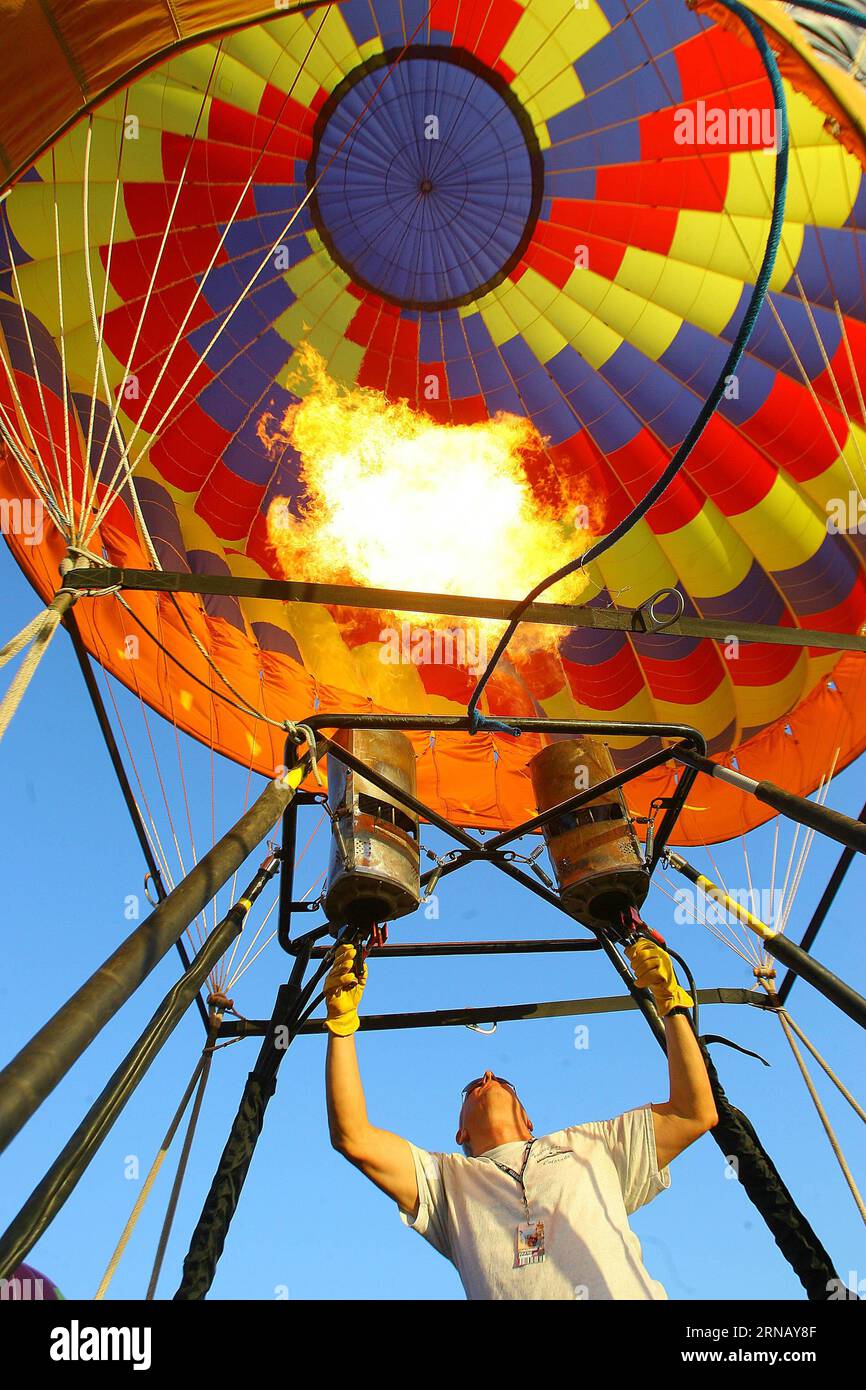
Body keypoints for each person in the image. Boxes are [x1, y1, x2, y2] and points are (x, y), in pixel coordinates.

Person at [325, 937, 718, 1300]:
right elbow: (353, 1137)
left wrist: (672, 1004)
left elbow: (693, 1112)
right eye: (474, 1084)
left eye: (501, 1081)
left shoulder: (589, 1144)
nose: (489, 1075)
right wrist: (342, 1025)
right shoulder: (446, 1182)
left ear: (529, 1120)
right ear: (459, 1130)